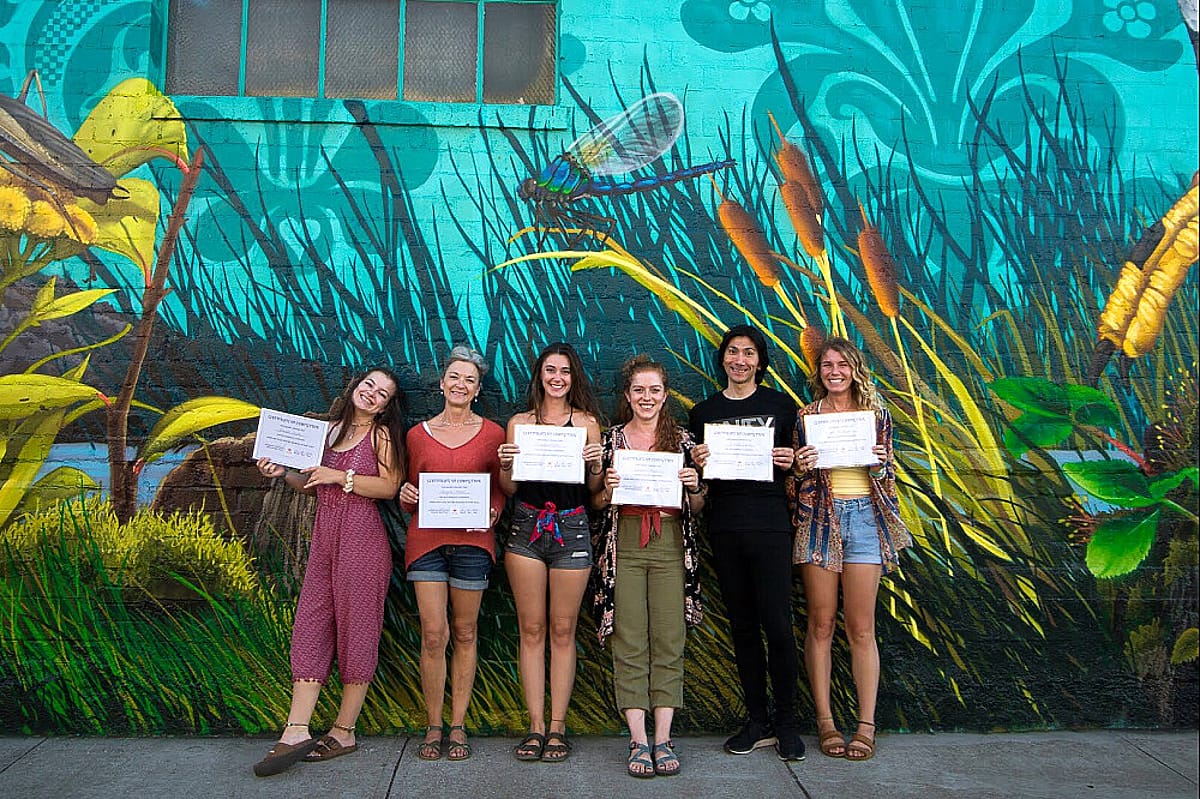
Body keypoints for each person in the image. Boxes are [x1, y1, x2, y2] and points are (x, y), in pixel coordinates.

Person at [252, 367, 406, 777]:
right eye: (369, 386)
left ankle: (344, 730)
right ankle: (296, 729)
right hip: (324, 541)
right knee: (311, 625)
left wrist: (341, 476)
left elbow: (390, 486)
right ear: (356, 387)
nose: (372, 395)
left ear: (387, 406)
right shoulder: (326, 431)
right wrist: (282, 472)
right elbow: (308, 483)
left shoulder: (381, 436)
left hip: (362, 541)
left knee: (357, 630)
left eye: (382, 394)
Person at [687, 324, 805, 761]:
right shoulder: (703, 412)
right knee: (743, 628)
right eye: (733, 352)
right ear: (722, 359)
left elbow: (801, 467)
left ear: (760, 361)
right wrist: (698, 463)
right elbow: (699, 483)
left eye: (749, 353)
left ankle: (787, 722)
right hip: (726, 526)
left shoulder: (781, 407)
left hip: (771, 523)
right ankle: (758, 721)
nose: (740, 360)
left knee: (777, 625)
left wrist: (791, 462)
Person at [793, 337, 911, 762]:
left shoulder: (877, 417)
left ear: (854, 368)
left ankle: (866, 724)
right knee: (820, 624)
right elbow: (796, 485)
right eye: (827, 365)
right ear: (819, 372)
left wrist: (879, 465)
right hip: (821, 519)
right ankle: (825, 721)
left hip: (864, 519)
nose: (834, 371)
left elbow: (890, 475)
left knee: (861, 627)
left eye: (842, 364)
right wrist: (801, 467)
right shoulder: (807, 417)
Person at [592, 355, 705, 778]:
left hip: (671, 540)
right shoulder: (610, 441)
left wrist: (695, 487)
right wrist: (607, 489)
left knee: (669, 636)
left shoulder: (686, 442)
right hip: (625, 540)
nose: (647, 397)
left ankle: (664, 737)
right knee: (630, 636)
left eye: (654, 390)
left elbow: (697, 505)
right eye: (639, 390)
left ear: (665, 394)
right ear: (627, 395)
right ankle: (638, 738)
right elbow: (596, 503)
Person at [497, 343, 604, 763]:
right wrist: (506, 464)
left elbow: (595, 491)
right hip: (526, 526)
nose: (557, 377)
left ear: (574, 377)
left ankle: (557, 727)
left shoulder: (588, 424)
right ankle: (535, 726)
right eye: (550, 370)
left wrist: (595, 464)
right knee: (532, 630)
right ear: (539, 375)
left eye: (565, 371)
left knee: (563, 630)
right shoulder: (519, 423)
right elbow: (508, 489)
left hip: (573, 527)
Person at [398, 346, 506, 762]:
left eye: (470, 380)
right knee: (433, 634)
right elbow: (410, 491)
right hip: (426, 542)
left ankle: (458, 724)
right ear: (442, 383)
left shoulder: (495, 434)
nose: (461, 385)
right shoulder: (415, 435)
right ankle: (434, 724)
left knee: (464, 632)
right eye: (455, 378)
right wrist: (408, 496)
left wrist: (494, 510)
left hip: (474, 543)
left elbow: (498, 488)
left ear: (477, 390)